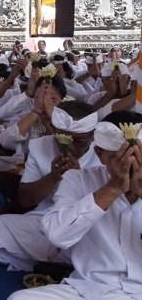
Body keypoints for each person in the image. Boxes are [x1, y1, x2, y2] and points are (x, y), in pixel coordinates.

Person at [8, 113, 142, 300]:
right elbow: (57, 235)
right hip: (91, 288)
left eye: (138, 157)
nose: (130, 165)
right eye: (119, 158)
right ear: (100, 155)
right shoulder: (78, 179)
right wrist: (112, 188)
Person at [0, 101, 101, 272]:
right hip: (45, 219)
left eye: (78, 141)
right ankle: (61, 267)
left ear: (93, 135)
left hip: (87, 228)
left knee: (102, 246)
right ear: (55, 131)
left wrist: (78, 179)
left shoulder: (103, 155)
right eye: (63, 140)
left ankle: (53, 266)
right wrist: (53, 177)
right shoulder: (40, 146)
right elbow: (25, 200)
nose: (69, 147)